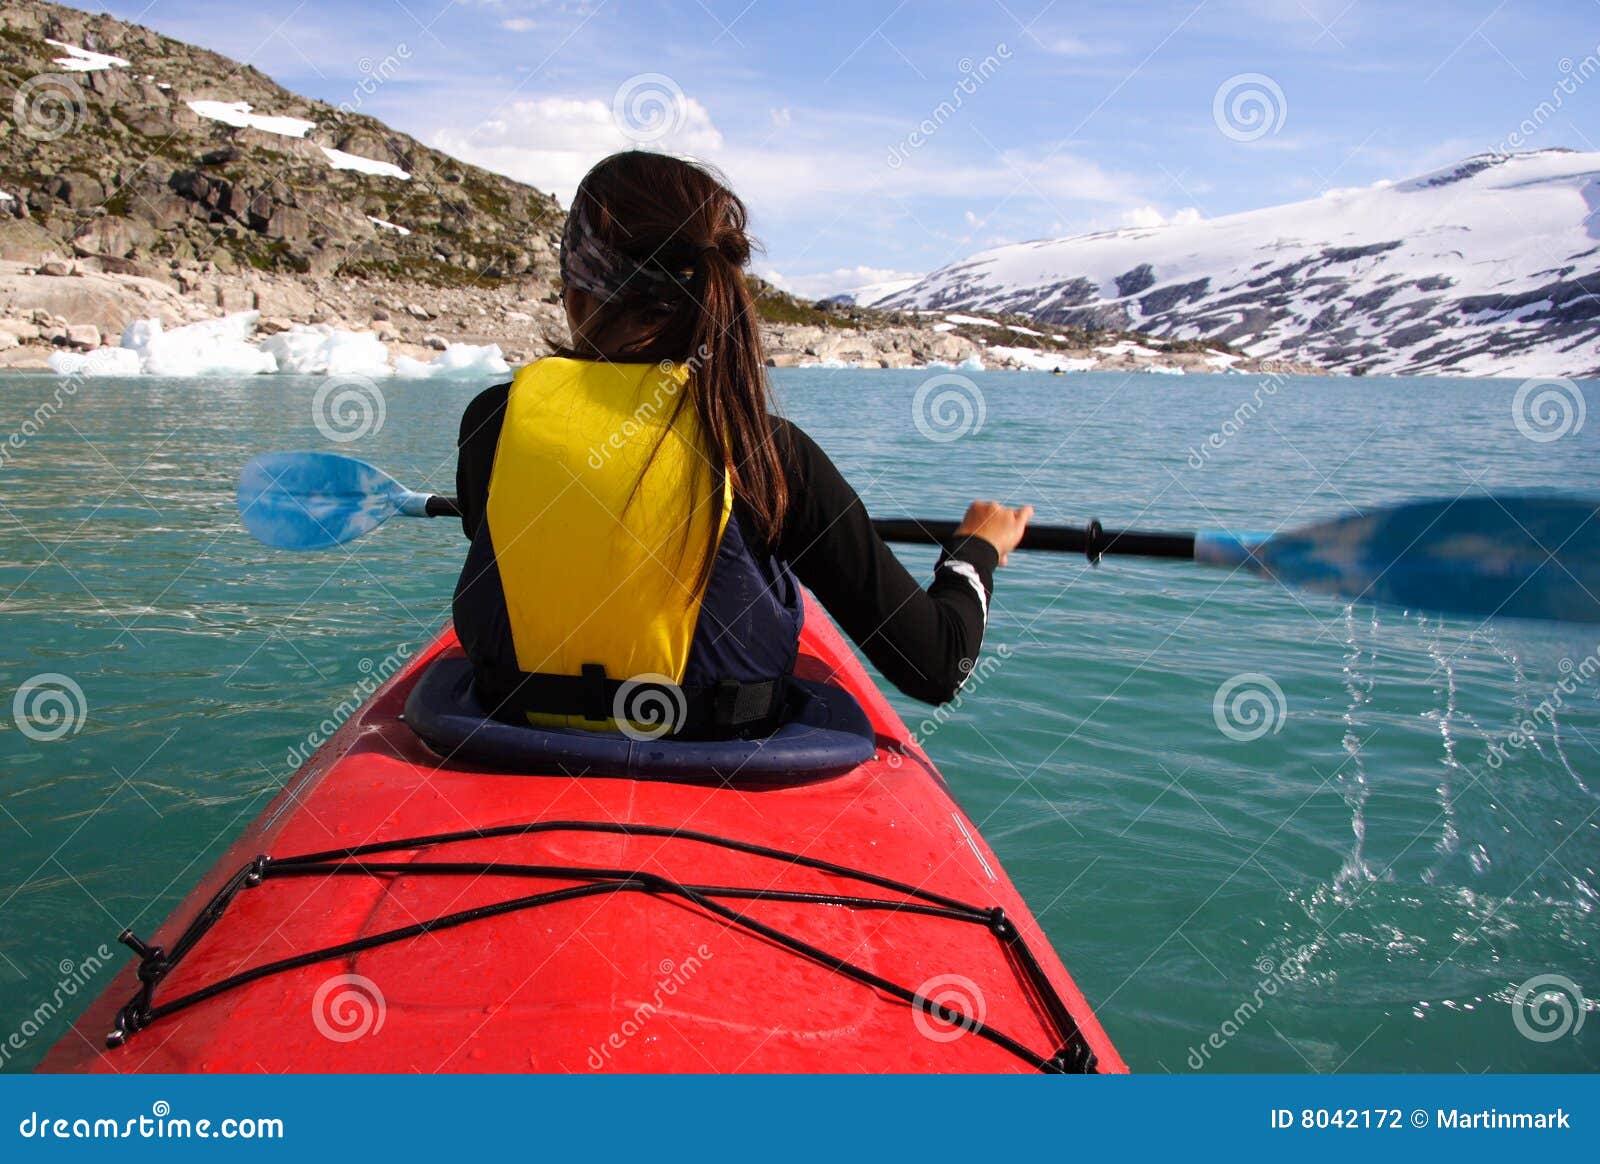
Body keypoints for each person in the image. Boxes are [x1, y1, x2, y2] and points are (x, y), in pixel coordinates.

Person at [453, 150, 1031, 738]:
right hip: (716, 757)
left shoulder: (490, 426)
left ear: (576, 297)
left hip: (514, 740)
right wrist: (975, 552)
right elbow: (938, 666)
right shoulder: (769, 453)